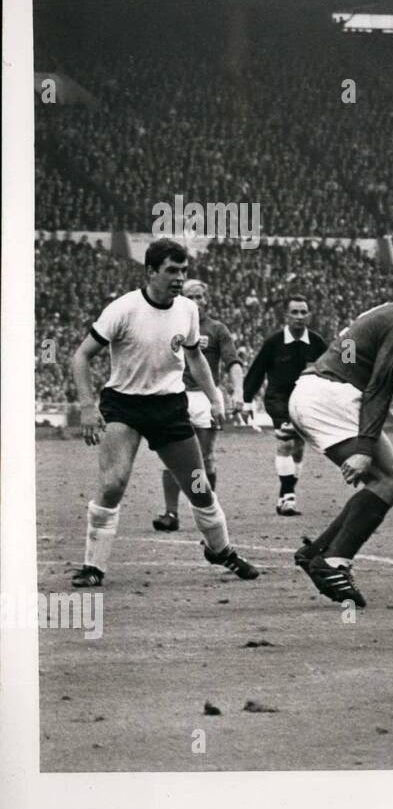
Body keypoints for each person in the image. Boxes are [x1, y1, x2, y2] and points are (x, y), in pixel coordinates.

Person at [69, 238, 264, 587]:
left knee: (199, 486)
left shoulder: (187, 310)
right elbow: (81, 356)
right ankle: (93, 567)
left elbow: (195, 357)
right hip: (125, 404)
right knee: (113, 483)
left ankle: (221, 551)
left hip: (169, 405)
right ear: (150, 271)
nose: (179, 277)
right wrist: (86, 406)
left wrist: (215, 397)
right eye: (172, 270)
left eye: (184, 271)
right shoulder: (123, 309)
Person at [287, 260, 393, 606]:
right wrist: (364, 449)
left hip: (318, 392)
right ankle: (334, 561)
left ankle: (317, 553)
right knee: (392, 480)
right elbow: (378, 386)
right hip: (330, 396)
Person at [152, 279, 243, 530]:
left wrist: (238, 390)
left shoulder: (217, 329)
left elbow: (232, 361)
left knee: (203, 458)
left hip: (204, 396)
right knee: (170, 457)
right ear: (181, 299)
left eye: (200, 296)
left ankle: (205, 513)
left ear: (206, 299)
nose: (197, 302)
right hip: (174, 395)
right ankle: (170, 513)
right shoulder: (168, 325)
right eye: (191, 297)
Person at [242, 295, 327, 515]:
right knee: (286, 441)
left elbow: (331, 369)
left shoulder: (317, 342)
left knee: (298, 448)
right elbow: (257, 372)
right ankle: (289, 496)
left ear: (309, 315)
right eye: (295, 312)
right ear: (286, 316)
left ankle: (284, 494)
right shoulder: (274, 342)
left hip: (305, 400)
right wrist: (247, 400)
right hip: (278, 399)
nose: (300, 317)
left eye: (303, 312)